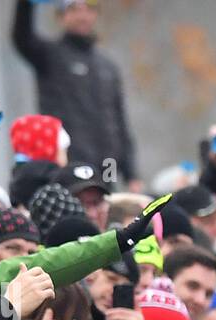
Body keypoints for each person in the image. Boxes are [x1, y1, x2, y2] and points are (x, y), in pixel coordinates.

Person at [12, 0, 139, 190]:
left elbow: (119, 121)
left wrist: (132, 174)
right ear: (61, 16)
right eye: (74, 9)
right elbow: (22, 38)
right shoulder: (49, 55)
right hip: (65, 169)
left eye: (88, 9)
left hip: (106, 171)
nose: (83, 15)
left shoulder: (107, 66)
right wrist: (26, 4)